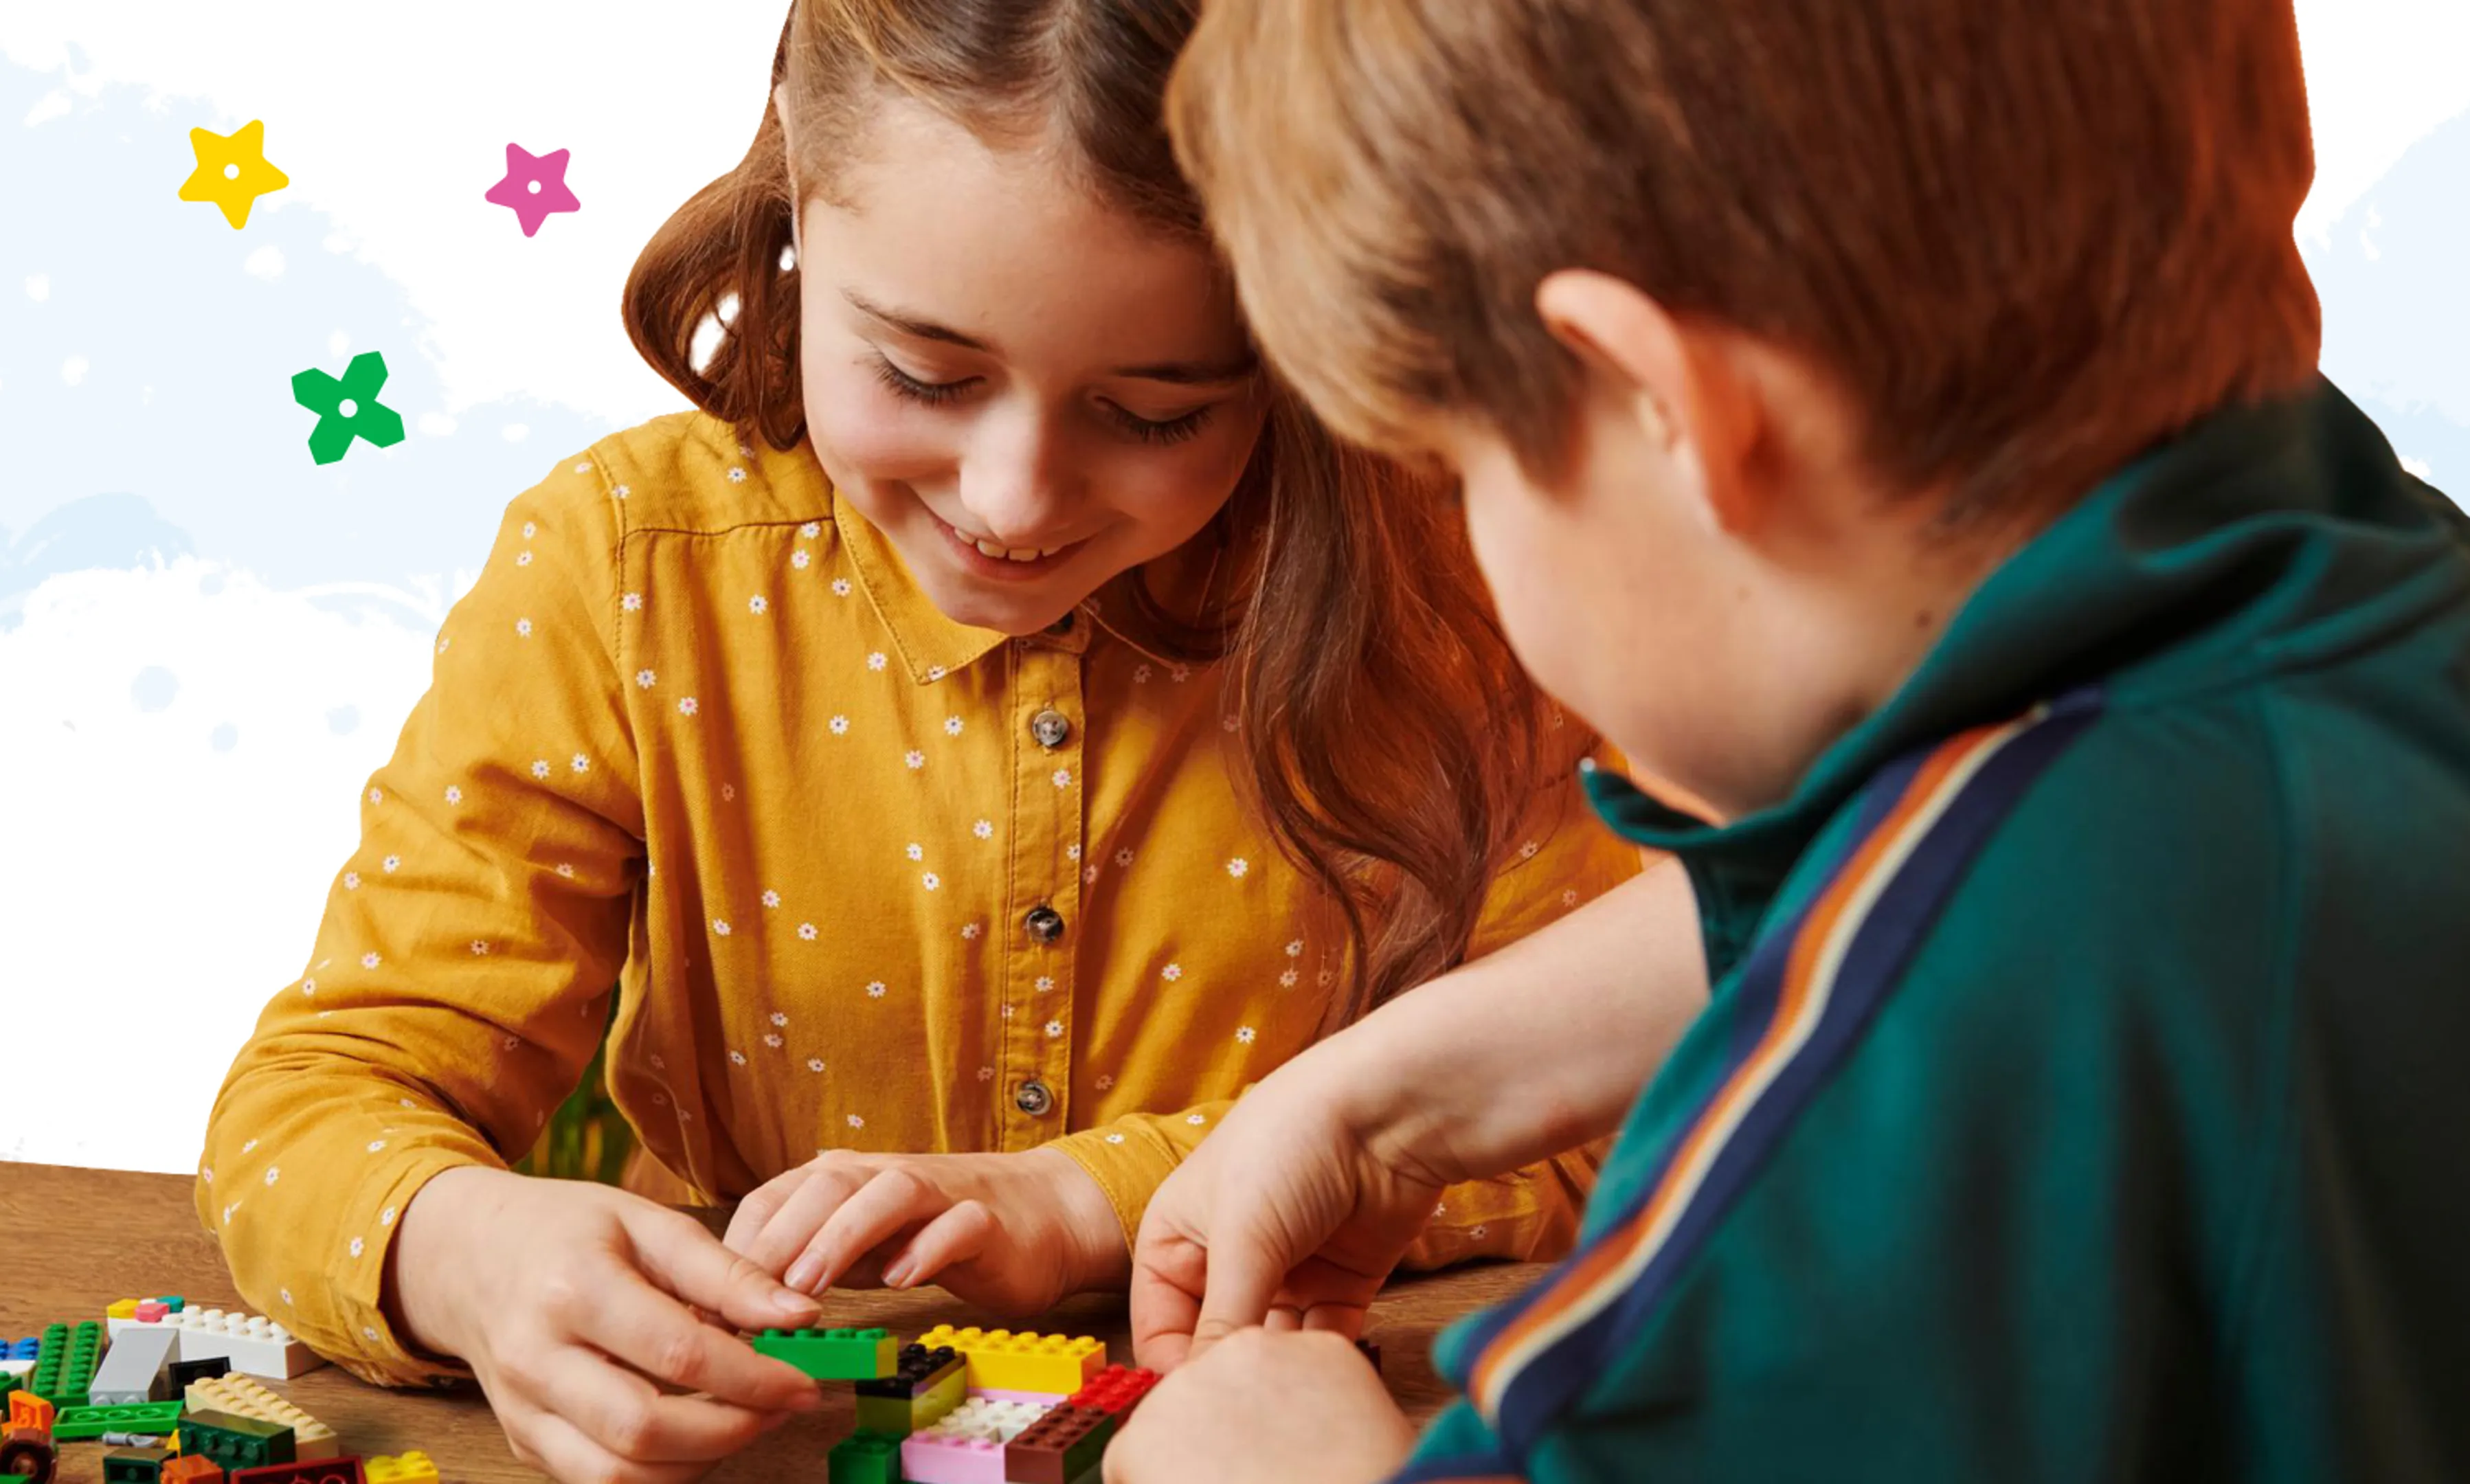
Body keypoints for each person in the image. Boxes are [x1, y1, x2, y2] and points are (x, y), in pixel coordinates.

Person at [1110, 0, 2470, 1479]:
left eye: (1457, 470)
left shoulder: (1964, 1033)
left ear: (1668, 413)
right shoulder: (2406, 601)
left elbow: (1964, 959)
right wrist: (1396, 1094)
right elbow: (2003, 872)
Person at [192, 3, 1643, 1479]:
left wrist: (1093, 1198)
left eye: (1152, 413)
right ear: (796, 212)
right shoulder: (624, 570)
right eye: (927, 377)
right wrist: (460, 1255)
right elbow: (314, 1105)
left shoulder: (1460, 595)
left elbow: (1632, 1094)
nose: (1013, 502)